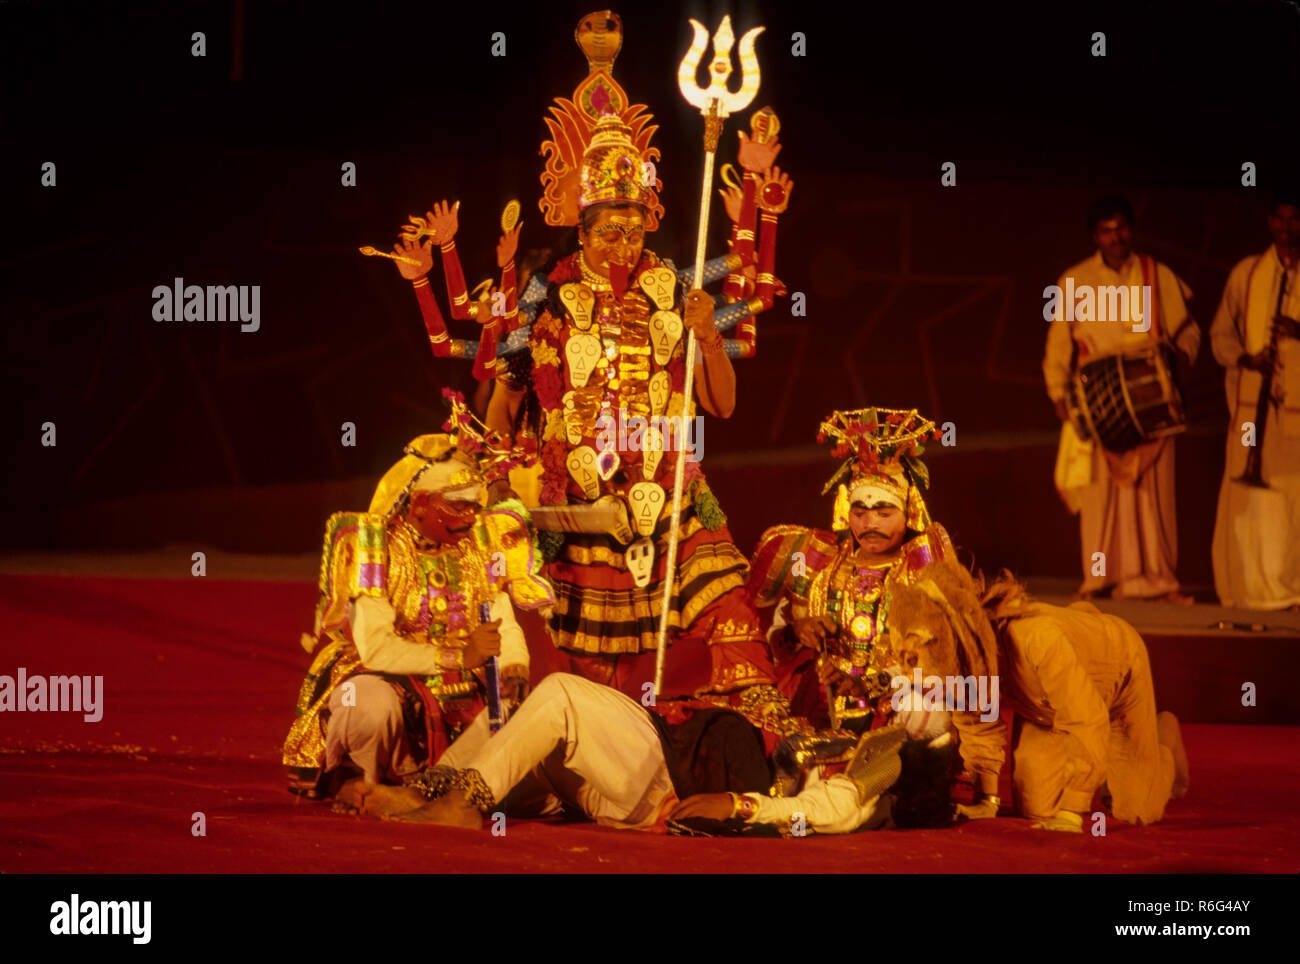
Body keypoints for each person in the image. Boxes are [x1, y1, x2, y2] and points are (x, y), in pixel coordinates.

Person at [341, 671, 963, 836]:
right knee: (525, 712)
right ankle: (430, 790)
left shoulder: (880, 772)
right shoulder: (863, 742)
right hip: (643, 769)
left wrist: (741, 808)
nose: (908, 704)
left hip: (663, 779)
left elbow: (830, 810)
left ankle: (459, 804)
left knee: (558, 696)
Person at [281, 431, 553, 798]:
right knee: (365, 704)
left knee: (528, 707)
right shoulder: (379, 549)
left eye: (476, 506)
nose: (472, 516)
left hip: (465, 682)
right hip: (386, 677)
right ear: (420, 504)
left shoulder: (478, 544)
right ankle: (364, 777)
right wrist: (459, 656)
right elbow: (376, 649)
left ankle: (449, 784)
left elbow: (503, 621)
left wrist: (514, 670)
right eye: (459, 506)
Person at [886, 563, 1190, 832]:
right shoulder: (967, 653)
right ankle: (1110, 758)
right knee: (1036, 810)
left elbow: (1087, 717)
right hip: (1045, 709)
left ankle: (1163, 738)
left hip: (1114, 677)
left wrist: (1073, 810)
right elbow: (979, 723)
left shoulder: (1037, 638)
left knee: (1137, 809)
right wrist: (985, 800)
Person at [748, 407, 957, 732]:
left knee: (928, 716)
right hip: (823, 701)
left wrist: (870, 686)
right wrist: (796, 632)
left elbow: (941, 656)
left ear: (910, 513)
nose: (870, 523)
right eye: (861, 512)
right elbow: (771, 640)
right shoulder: (817, 561)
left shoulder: (924, 567)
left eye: (884, 513)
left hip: (898, 702)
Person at [1044, 194, 1200, 602]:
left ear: (1131, 230)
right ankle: (1100, 580)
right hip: (1100, 402)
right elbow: (1059, 343)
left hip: (1150, 399)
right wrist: (1057, 392)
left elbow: (1187, 331)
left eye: (1121, 228)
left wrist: (1175, 359)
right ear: (1095, 236)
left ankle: (1159, 579)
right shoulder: (1074, 280)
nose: (1116, 237)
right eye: (1107, 231)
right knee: (1100, 496)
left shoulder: (1156, 274)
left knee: (1154, 494)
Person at [1210, 190, 1300, 610]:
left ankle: (1290, 586)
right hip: (1253, 409)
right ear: (1269, 222)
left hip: (1296, 412)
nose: (1287, 227)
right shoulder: (1247, 274)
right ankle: (1250, 590)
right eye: (1279, 219)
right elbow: (1220, 337)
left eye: (1295, 219)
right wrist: (1248, 358)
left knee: (1291, 501)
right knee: (1252, 503)